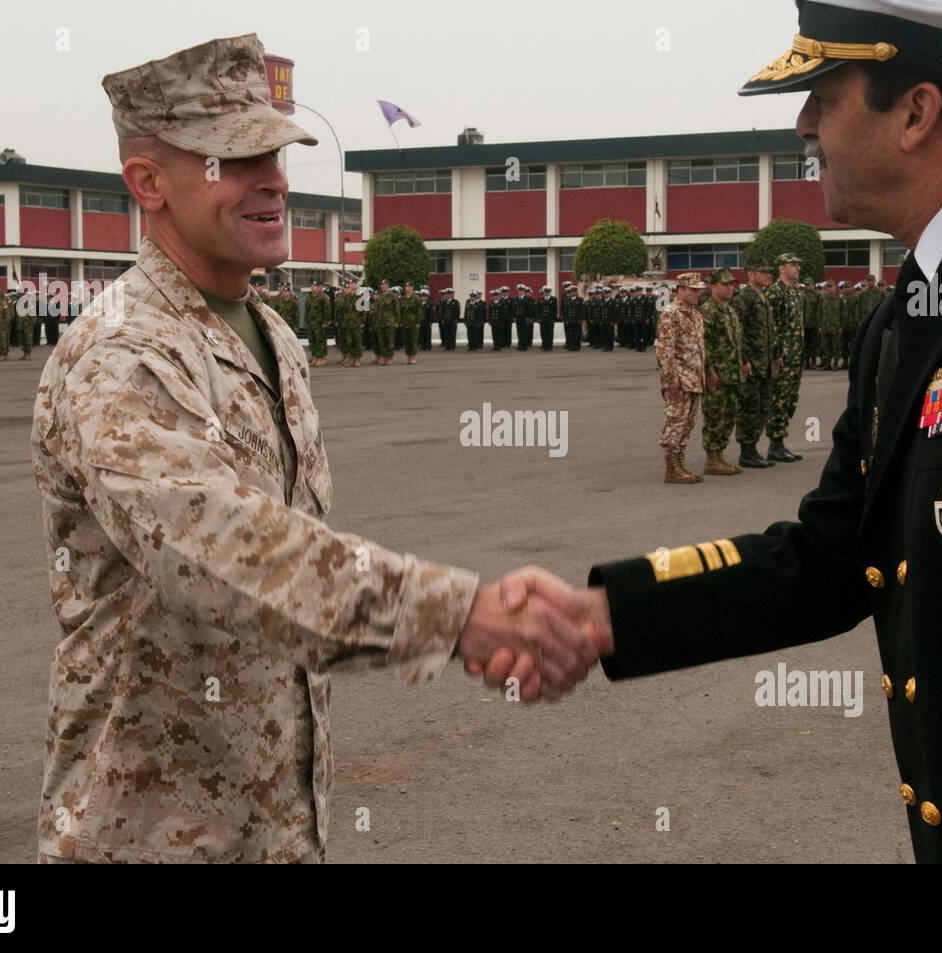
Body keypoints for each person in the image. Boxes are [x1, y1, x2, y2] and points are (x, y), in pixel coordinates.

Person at [486, 0, 942, 864]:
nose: (803, 124)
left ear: (916, 112)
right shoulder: (908, 312)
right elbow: (833, 554)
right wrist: (606, 613)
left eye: (823, 97)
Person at [31, 34, 598, 865]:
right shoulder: (121, 353)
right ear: (148, 183)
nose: (273, 181)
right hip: (147, 835)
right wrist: (451, 612)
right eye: (234, 158)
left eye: (275, 153)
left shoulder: (273, 336)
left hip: (275, 822)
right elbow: (217, 549)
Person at [655, 273, 707, 484]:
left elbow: (700, 348)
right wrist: (670, 379)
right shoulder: (670, 313)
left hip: (694, 378)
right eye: (693, 290)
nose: (697, 294)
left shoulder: (695, 314)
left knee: (688, 423)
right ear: (681, 291)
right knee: (676, 421)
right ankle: (671, 467)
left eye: (699, 290)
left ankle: (680, 462)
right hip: (679, 379)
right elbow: (665, 349)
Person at [699, 268, 747, 476]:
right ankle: (711, 459)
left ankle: (720, 455)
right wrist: (709, 372)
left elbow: (736, 342)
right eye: (725, 285)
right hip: (717, 374)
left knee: (728, 415)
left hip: (732, 373)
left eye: (731, 284)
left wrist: (743, 362)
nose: (730, 288)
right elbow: (704, 345)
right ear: (712, 286)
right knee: (714, 415)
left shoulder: (729, 310)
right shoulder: (708, 310)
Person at [732, 260, 777, 468]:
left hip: (765, 363)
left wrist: (775, 354)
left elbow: (769, 330)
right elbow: (737, 332)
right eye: (763, 272)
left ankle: (754, 447)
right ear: (751, 274)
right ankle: (746, 451)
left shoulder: (764, 297)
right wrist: (744, 360)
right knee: (749, 407)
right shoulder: (745, 298)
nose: (768, 275)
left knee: (762, 407)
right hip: (752, 363)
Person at [764, 252, 806, 462]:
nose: (797, 268)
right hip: (782, 357)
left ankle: (780, 441)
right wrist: (775, 353)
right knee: (779, 399)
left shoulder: (796, 293)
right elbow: (770, 327)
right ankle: (775, 444)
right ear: (781, 268)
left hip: (796, 355)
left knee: (790, 399)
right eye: (793, 265)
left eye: (798, 266)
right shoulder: (775, 292)